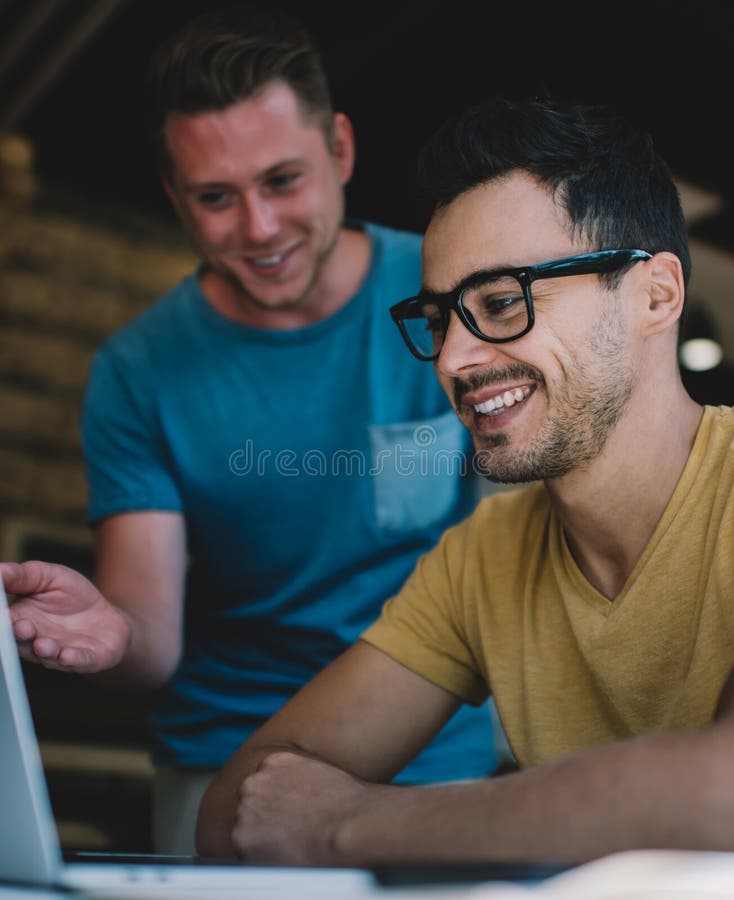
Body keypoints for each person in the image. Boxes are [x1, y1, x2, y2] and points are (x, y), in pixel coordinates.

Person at [0, 5, 498, 853]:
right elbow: (150, 636)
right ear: (174, 196)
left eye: (282, 181)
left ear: (339, 149)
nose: (259, 229)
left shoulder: (452, 289)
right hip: (225, 762)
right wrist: (114, 633)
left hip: (434, 755)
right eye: (216, 197)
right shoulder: (138, 370)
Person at [185, 95, 734, 864]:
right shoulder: (486, 559)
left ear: (655, 295)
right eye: (441, 318)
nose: (451, 362)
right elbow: (241, 805)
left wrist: (348, 822)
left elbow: (722, 796)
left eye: (502, 302)